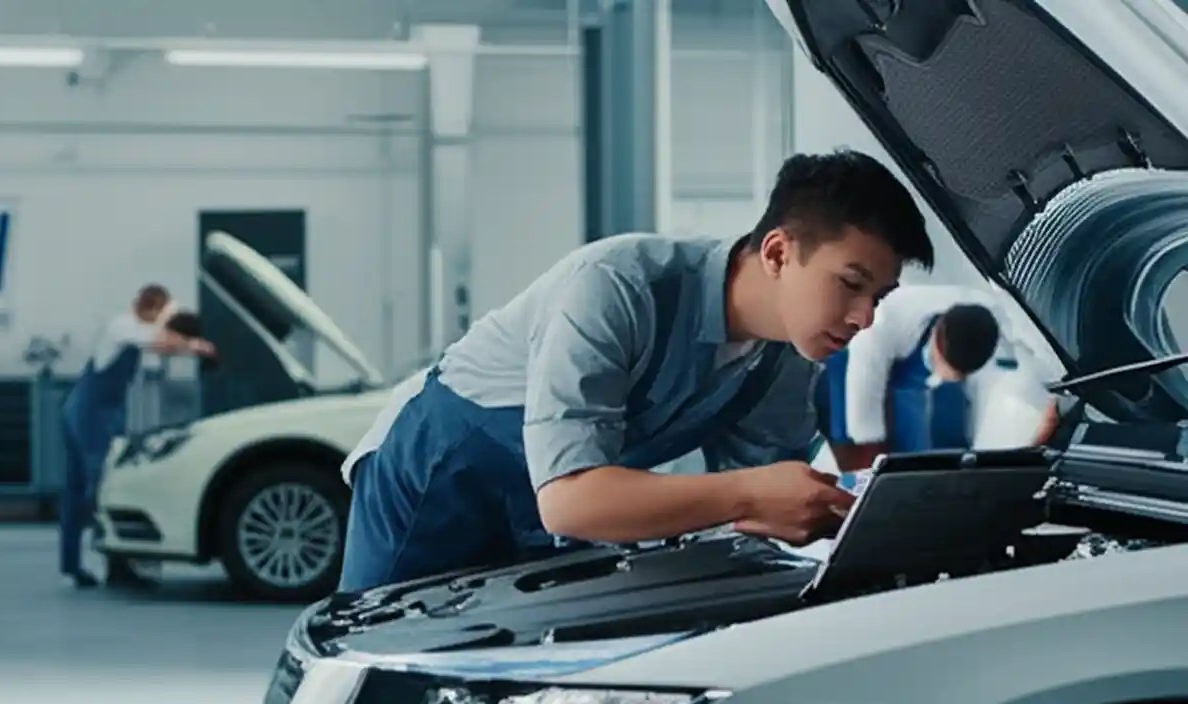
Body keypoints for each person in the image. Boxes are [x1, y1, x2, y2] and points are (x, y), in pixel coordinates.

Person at [338, 150, 936, 593]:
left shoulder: (790, 361)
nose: (864, 318)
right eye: (851, 284)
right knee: (374, 669)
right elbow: (571, 501)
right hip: (438, 472)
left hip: (551, 506)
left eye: (879, 298)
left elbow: (747, 518)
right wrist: (754, 492)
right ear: (778, 252)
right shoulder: (619, 285)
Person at [60, 284, 216, 588]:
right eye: (161, 312)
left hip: (101, 412)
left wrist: (187, 343)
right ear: (149, 308)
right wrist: (198, 346)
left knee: (85, 488)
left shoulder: (138, 330)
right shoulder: (122, 326)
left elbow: (160, 346)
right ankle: (115, 565)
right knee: (101, 488)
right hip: (89, 414)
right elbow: (159, 342)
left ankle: (80, 565)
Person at [816, 284, 1004, 472]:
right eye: (942, 365)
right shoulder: (883, 324)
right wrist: (869, 452)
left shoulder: (986, 327)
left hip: (909, 372)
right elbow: (863, 398)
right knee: (853, 443)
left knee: (916, 451)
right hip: (854, 363)